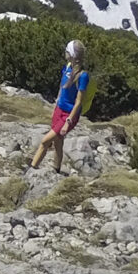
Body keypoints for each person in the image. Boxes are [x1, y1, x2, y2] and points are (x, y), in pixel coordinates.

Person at [30, 39, 90, 174]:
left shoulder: (83, 76)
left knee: (45, 141)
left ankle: (31, 169)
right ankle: (56, 170)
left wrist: (67, 122)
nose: (65, 52)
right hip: (59, 110)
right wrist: (56, 106)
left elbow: (79, 101)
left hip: (68, 115)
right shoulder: (67, 67)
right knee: (58, 142)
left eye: (67, 51)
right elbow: (62, 88)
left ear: (73, 55)